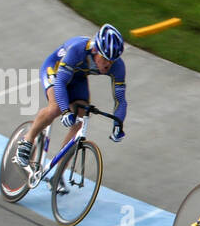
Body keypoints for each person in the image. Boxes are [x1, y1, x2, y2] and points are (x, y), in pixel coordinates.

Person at [15, 23, 127, 168]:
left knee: (81, 118)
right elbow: (60, 82)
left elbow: (120, 100)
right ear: (95, 50)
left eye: (112, 61)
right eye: (105, 59)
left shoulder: (118, 66)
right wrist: (66, 111)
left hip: (78, 76)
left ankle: (58, 172)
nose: (108, 65)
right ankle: (27, 140)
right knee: (56, 108)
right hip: (55, 69)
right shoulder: (78, 50)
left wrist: (118, 124)